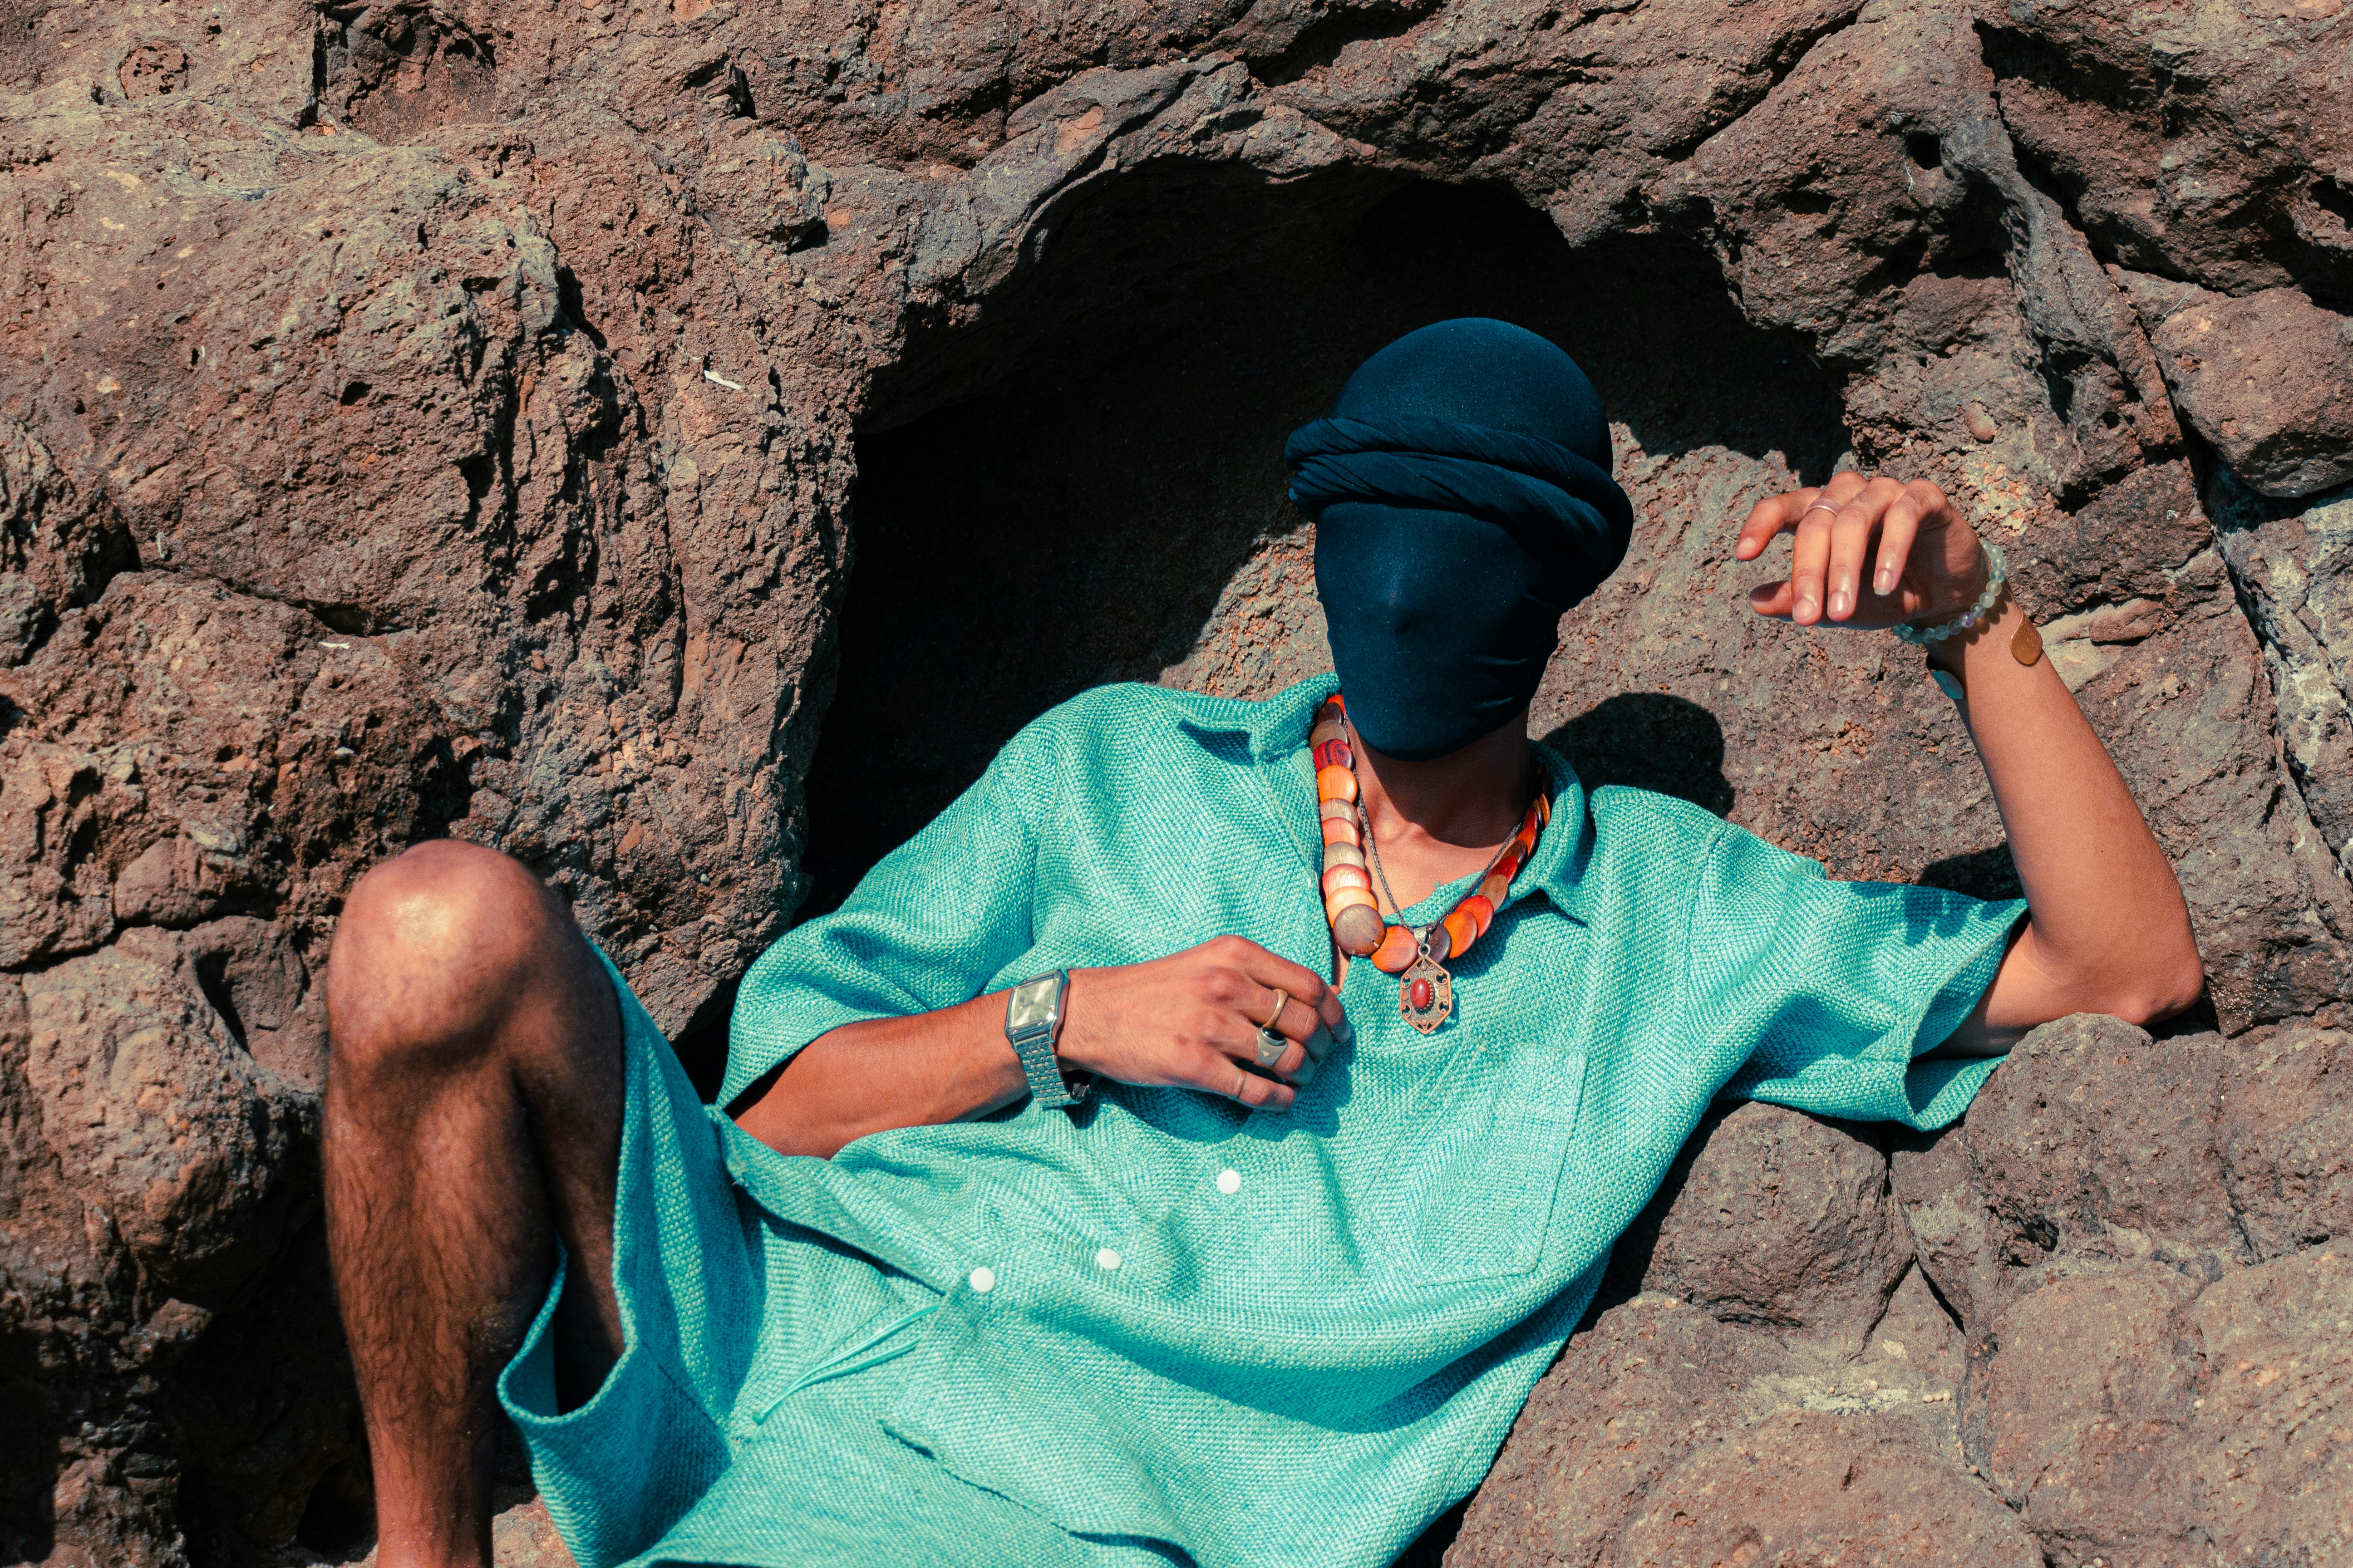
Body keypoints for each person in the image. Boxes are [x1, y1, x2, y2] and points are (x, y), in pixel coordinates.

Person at [322, 319, 2202, 1568]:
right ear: (1315, 536)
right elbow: (784, 1112)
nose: (1407, 577)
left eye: (1474, 538)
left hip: (1062, 1516)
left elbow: (2131, 973)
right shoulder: (1112, 766)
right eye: (1370, 520)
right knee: (431, 924)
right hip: (778, 1322)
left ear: (1560, 588)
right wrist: (1066, 1017)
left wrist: (1978, 611)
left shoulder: (1678, 915)